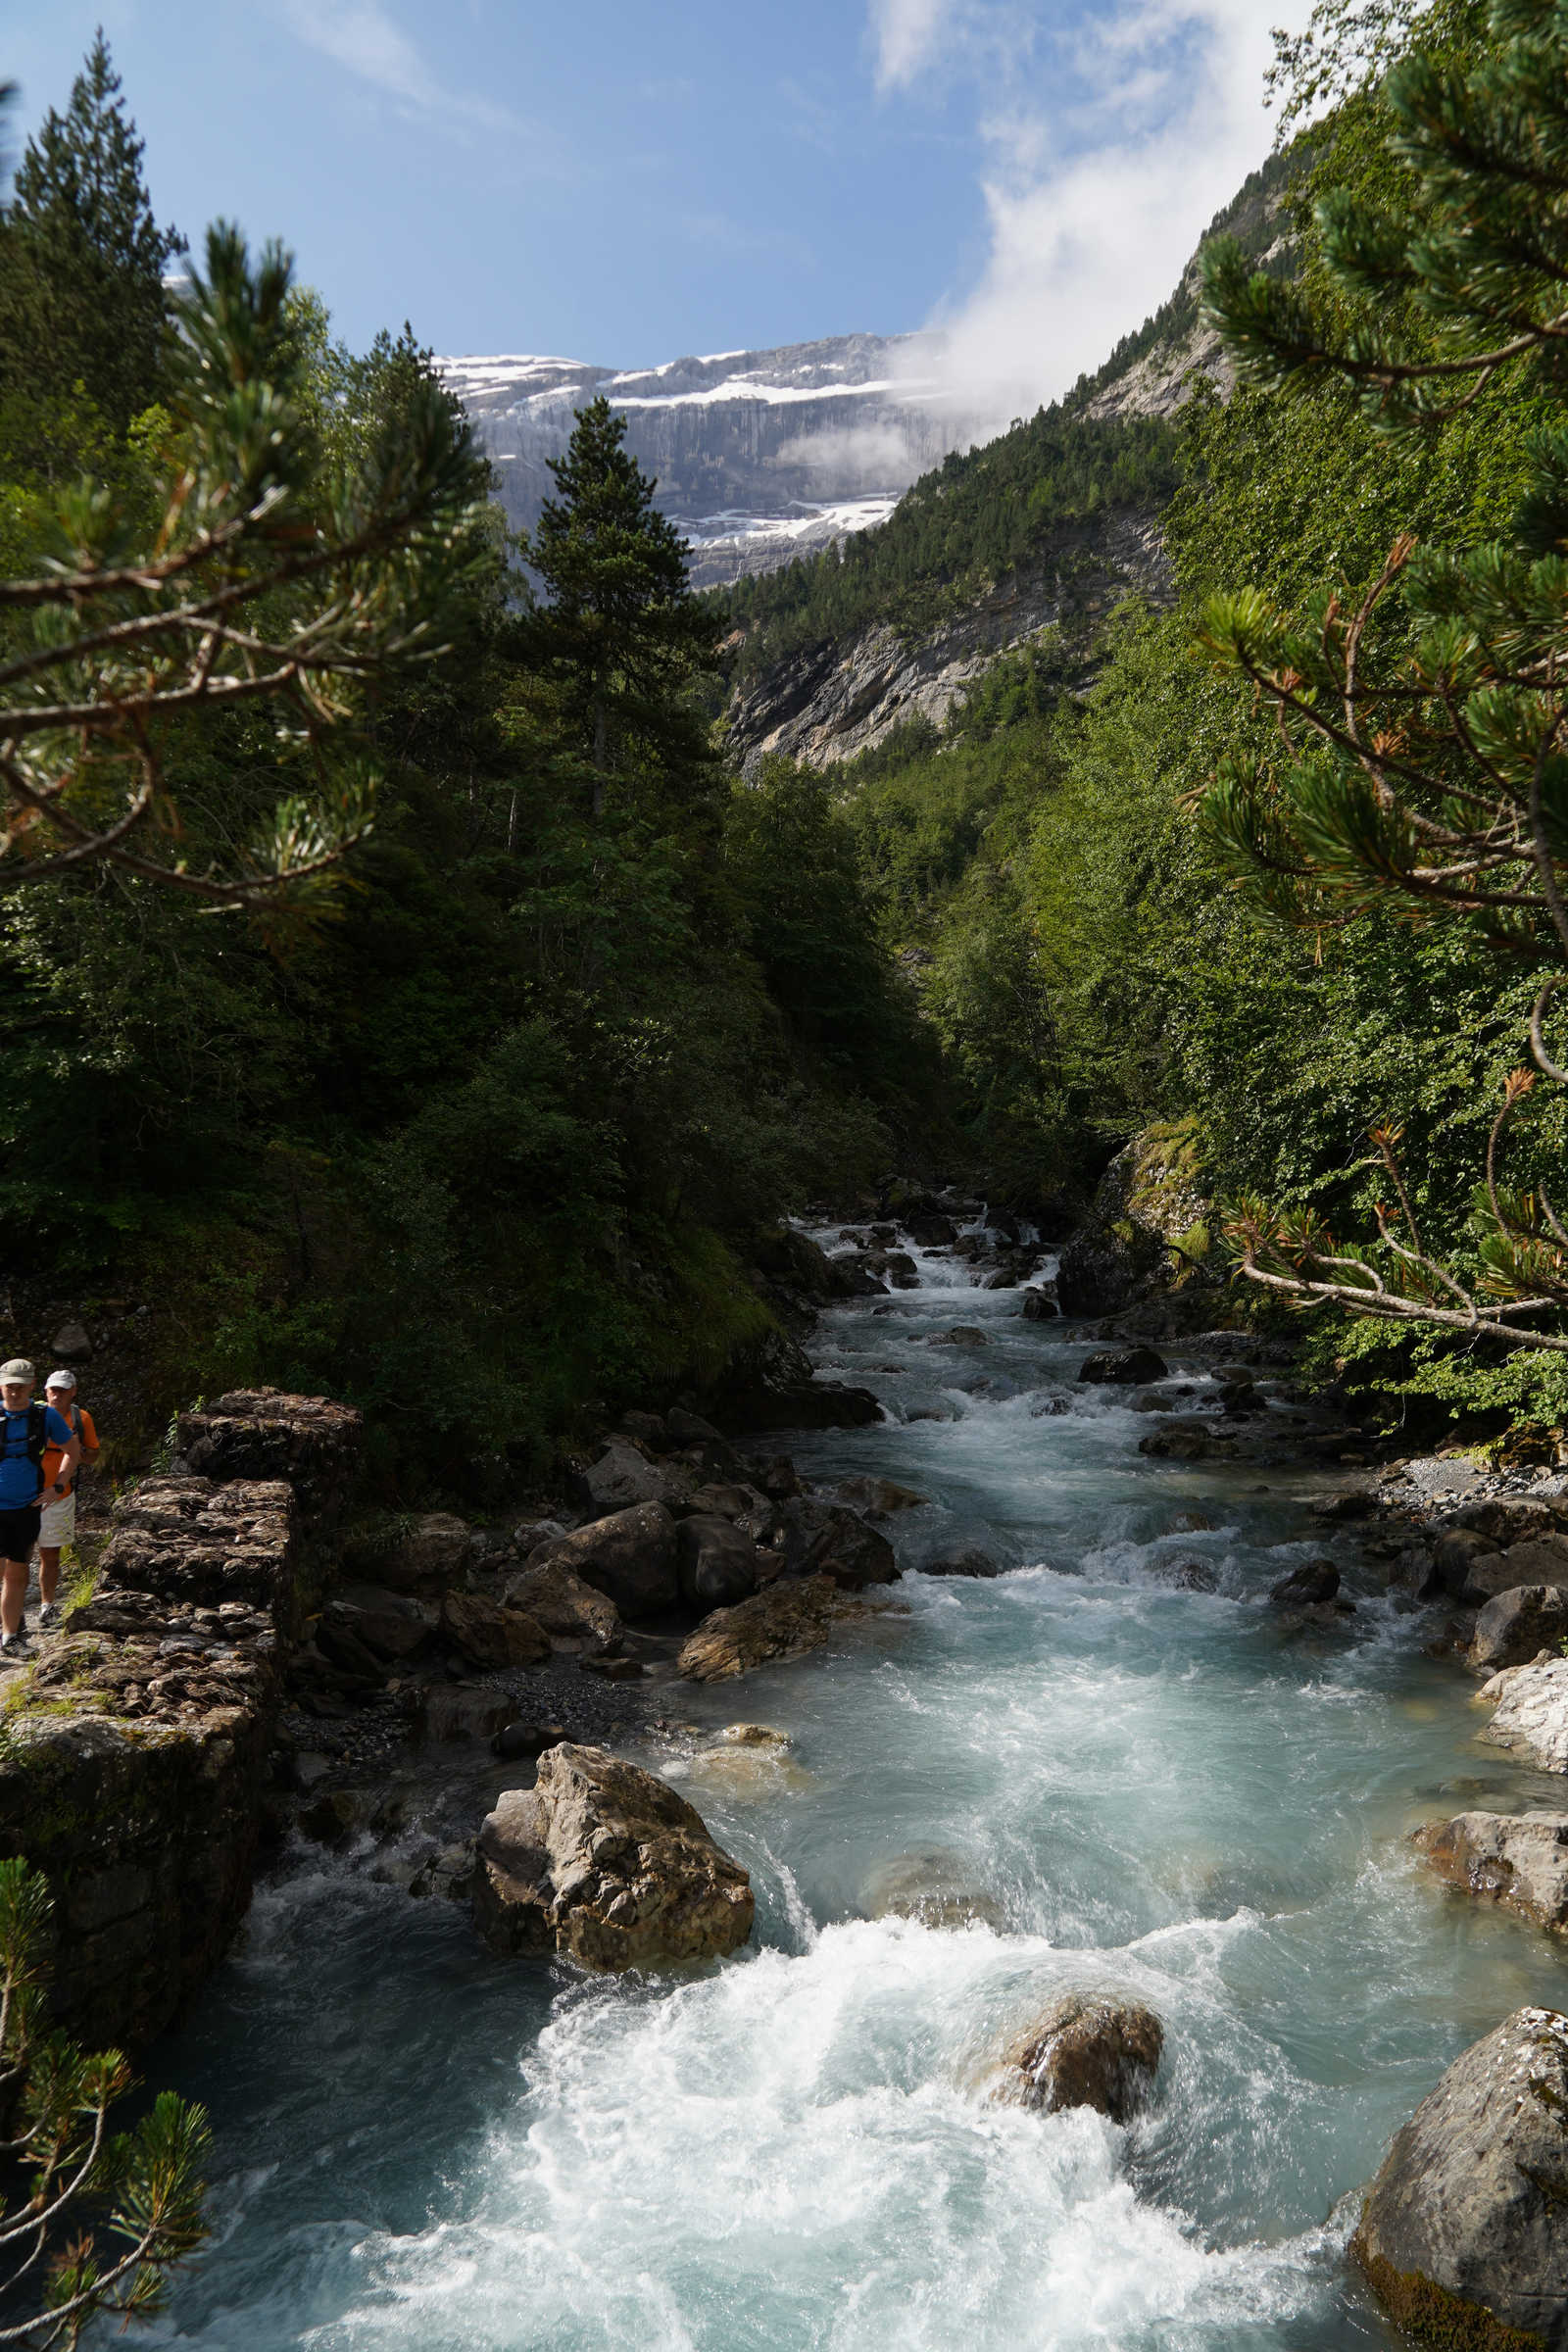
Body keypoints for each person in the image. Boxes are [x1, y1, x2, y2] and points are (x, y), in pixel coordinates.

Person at [0, 1360, 78, 1655]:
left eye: (21, 1386)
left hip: (26, 1508)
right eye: (10, 1385)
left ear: (32, 1385)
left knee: (17, 1574)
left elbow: (72, 1450)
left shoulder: (44, 1416)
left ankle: (10, 1638)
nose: (15, 1391)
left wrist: (57, 1487)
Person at [36, 1369, 99, 1627]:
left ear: (73, 1392)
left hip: (59, 1496)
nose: (57, 1395)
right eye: (54, 1390)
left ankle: (47, 1606)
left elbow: (93, 1456)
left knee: (50, 1554)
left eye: (63, 1390)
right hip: (22, 1494)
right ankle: (13, 1612)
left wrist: (76, 1450)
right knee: (13, 1557)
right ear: (46, 1391)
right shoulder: (31, 1415)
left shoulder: (80, 1418)